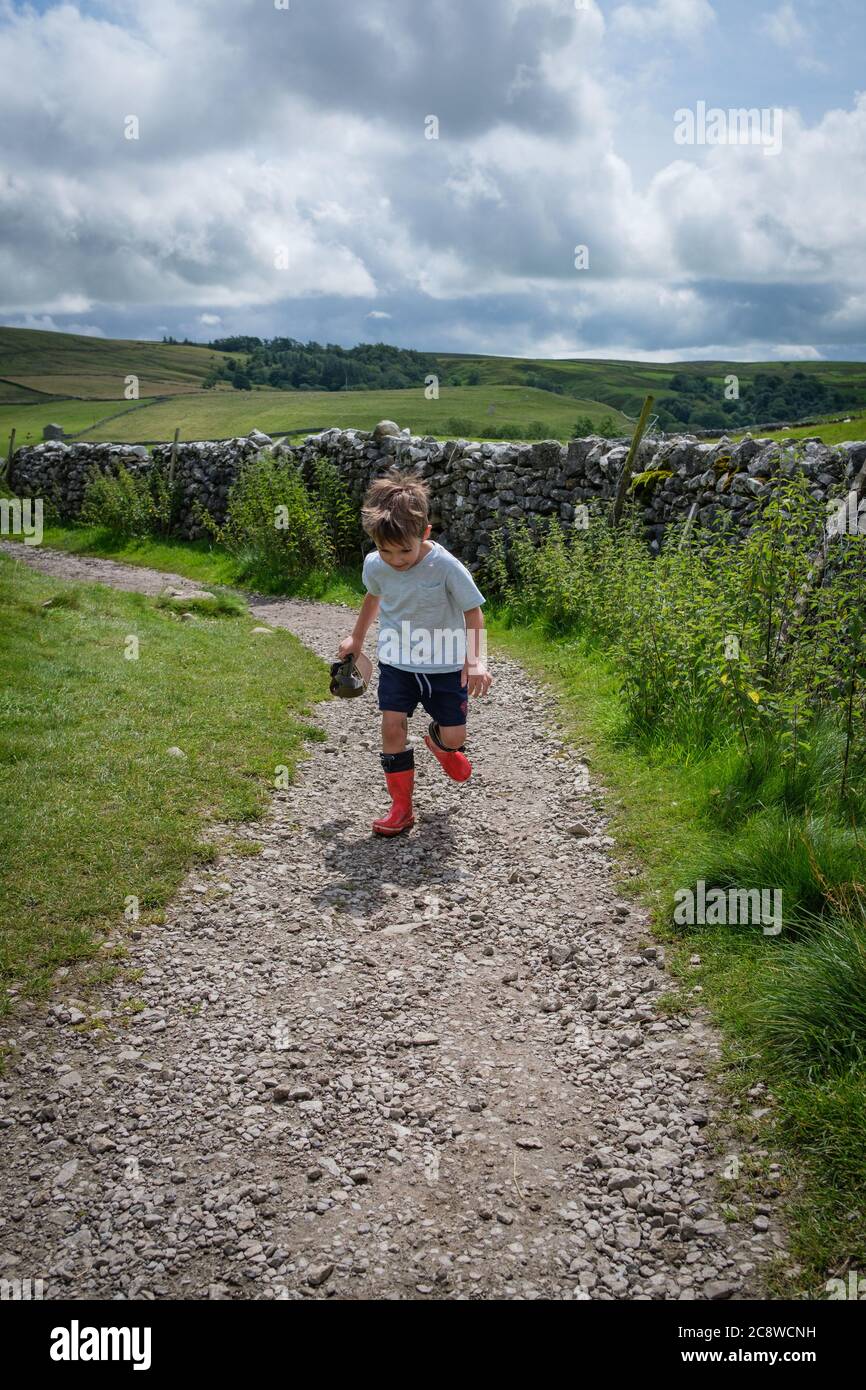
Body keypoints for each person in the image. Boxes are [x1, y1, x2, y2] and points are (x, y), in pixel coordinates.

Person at [337, 470, 493, 836]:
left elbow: (474, 611)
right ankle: (401, 808)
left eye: (404, 550)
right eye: (385, 550)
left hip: (445, 664)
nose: (395, 559)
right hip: (397, 663)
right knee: (391, 727)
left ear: (424, 533)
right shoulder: (376, 564)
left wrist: (475, 659)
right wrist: (356, 640)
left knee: (455, 737)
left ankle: (440, 744)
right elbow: (373, 597)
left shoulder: (446, 566)